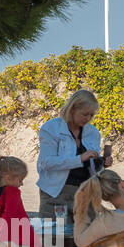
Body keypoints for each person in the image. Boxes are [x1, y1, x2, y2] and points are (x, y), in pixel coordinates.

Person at [37, 89, 103, 218]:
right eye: (85, 114)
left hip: (85, 193)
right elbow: (46, 163)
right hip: (55, 193)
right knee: (56, 236)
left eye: (91, 115)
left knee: (84, 235)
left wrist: (101, 162)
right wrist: (79, 158)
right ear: (72, 109)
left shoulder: (93, 132)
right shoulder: (51, 128)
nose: (88, 118)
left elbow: (91, 165)